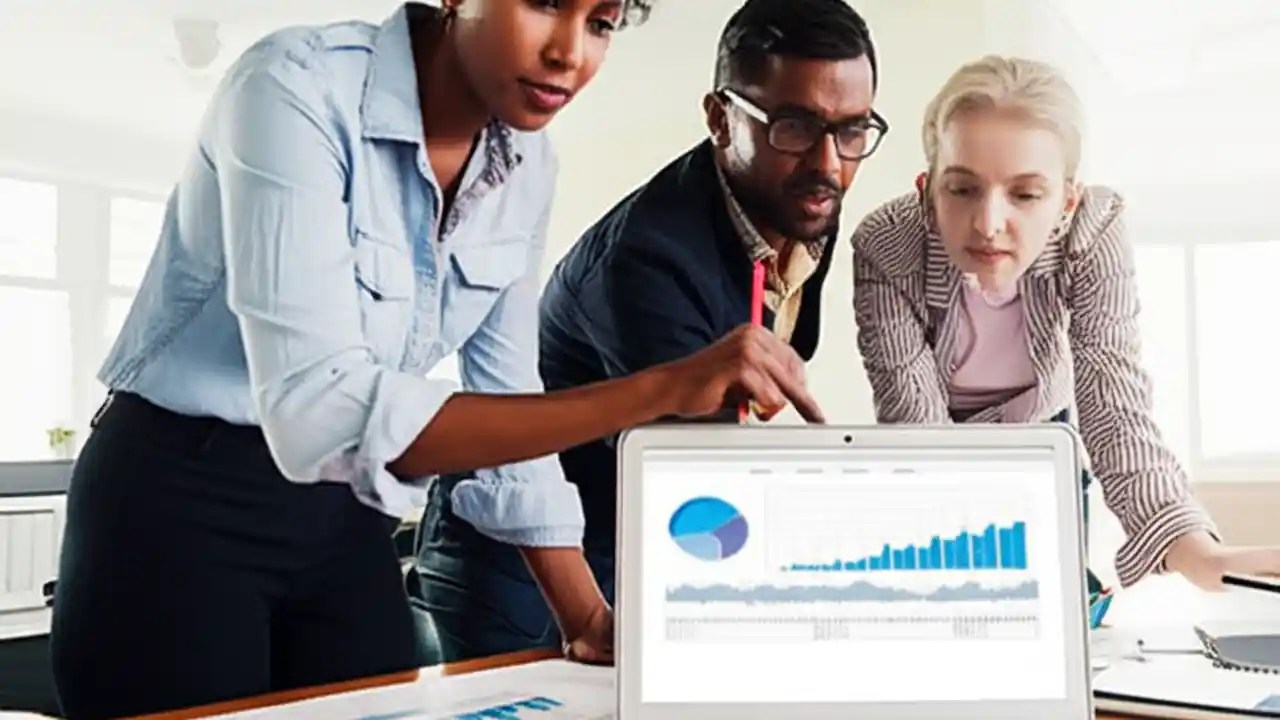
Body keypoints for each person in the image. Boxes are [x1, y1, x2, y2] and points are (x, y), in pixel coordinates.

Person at [49, 2, 826, 718]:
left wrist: (588, 619)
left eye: (603, 22)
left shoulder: (528, 167)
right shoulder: (291, 88)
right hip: (181, 494)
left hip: (347, 509)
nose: (570, 54)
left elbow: (511, 400)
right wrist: (655, 391)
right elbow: (318, 412)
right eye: (545, 3)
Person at [410, 0, 883, 665]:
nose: (829, 164)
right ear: (720, 119)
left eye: (852, 130)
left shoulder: (799, 204)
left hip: (633, 544)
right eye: (794, 126)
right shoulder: (646, 259)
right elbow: (704, 480)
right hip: (514, 570)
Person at [851, 55, 1280, 592]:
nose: (989, 224)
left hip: (1045, 441)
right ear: (927, 189)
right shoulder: (886, 246)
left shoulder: (1093, 232)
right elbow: (914, 418)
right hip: (939, 444)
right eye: (962, 189)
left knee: (1059, 609)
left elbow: (1111, 393)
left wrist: (1188, 545)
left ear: (1066, 202)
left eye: (1026, 195)